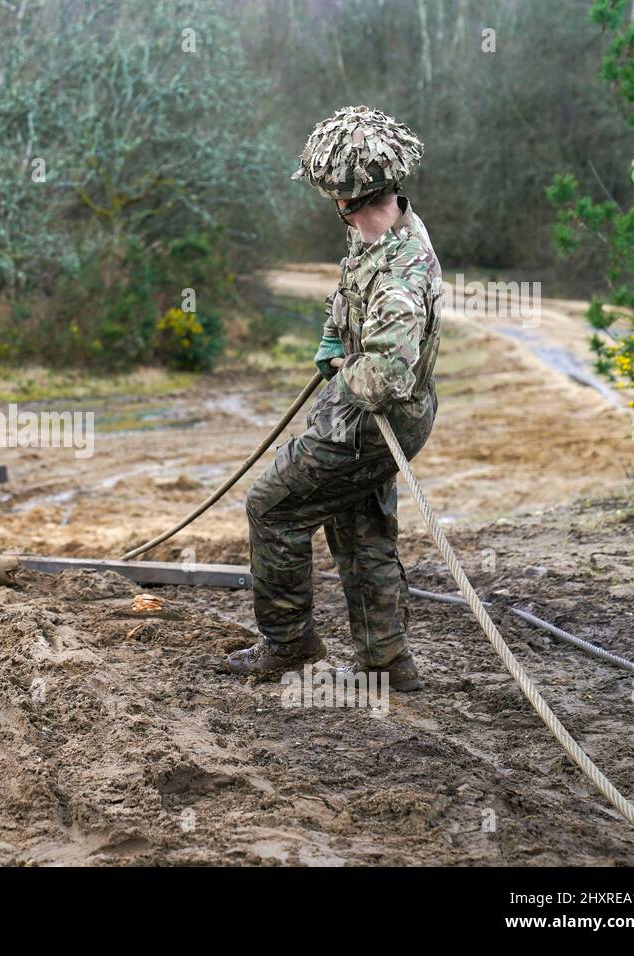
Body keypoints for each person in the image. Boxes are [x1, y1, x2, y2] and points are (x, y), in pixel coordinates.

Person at [224, 106, 442, 692]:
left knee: (273, 507)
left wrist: (347, 365)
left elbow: (385, 375)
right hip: (387, 419)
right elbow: (352, 279)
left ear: (346, 199)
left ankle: (288, 643)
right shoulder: (387, 225)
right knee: (359, 524)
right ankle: (386, 663)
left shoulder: (400, 276)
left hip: (372, 421)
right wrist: (333, 326)